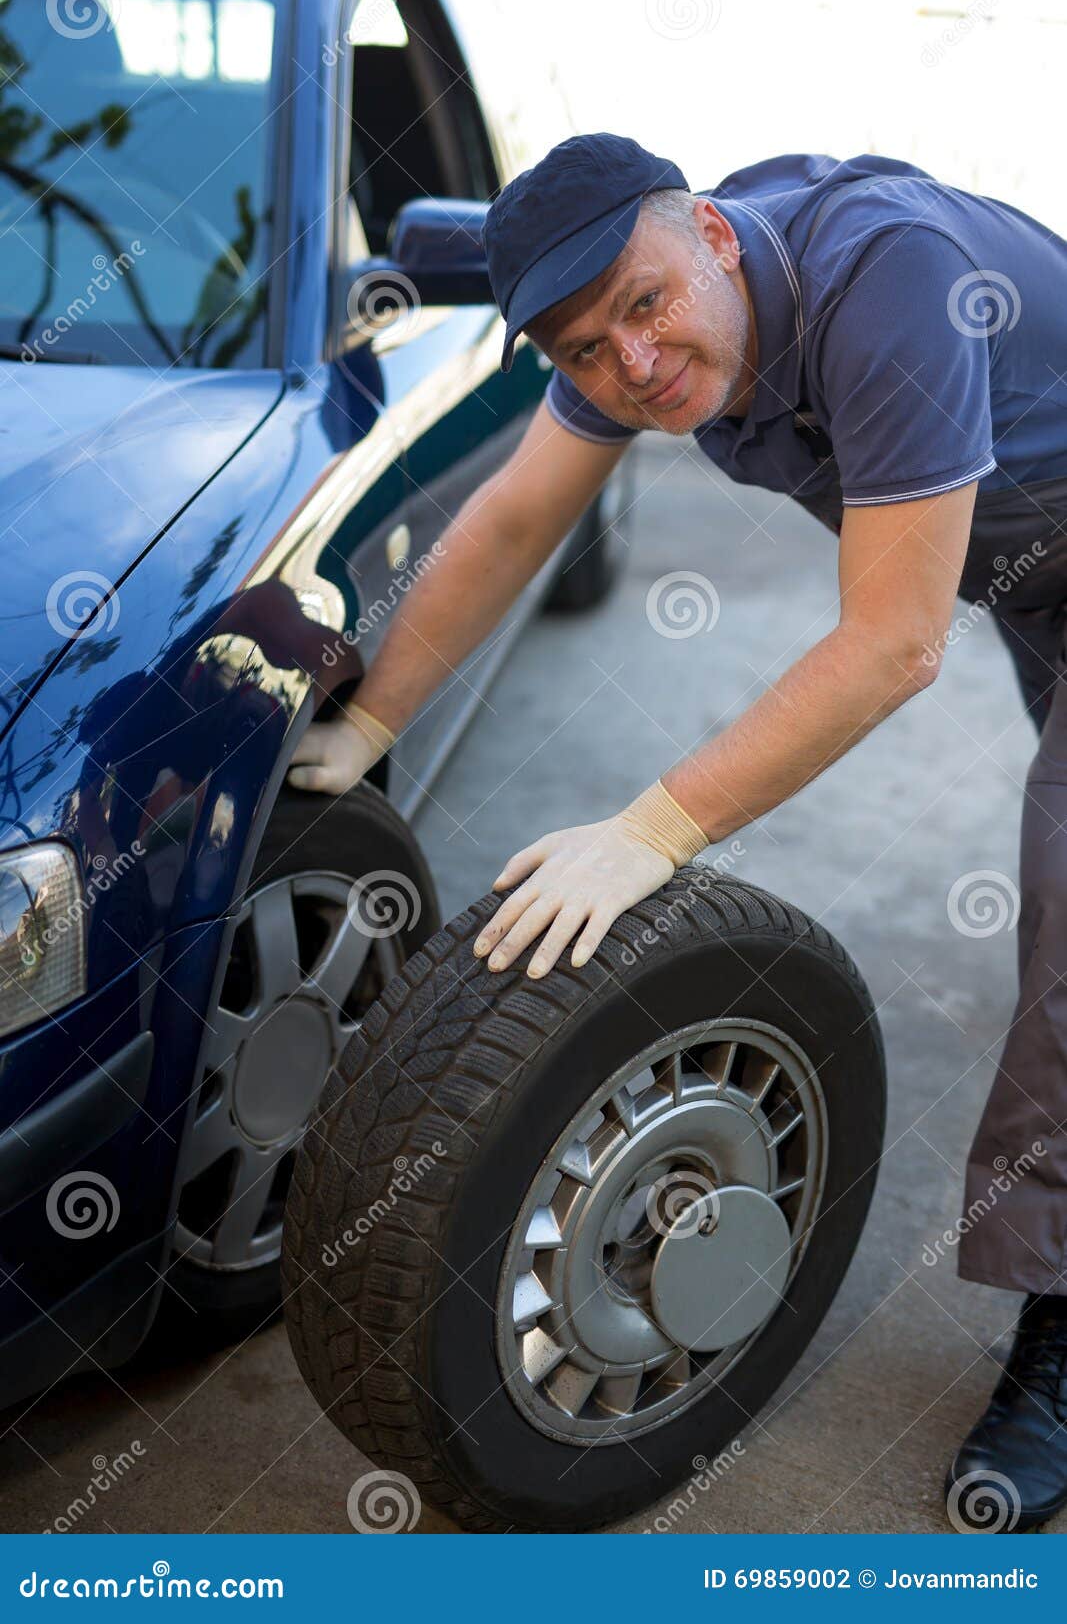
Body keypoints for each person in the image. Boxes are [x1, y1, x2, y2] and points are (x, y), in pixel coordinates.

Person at [286, 133, 1067, 1532]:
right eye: (583, 350)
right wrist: (370, 723)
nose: (630, 366)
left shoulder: (890, 281)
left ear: (710, 234)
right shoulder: (630, 331)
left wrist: (655, 827)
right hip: (1029, 559)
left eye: (643, 309)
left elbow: (890, 644)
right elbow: (517, 512)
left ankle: (1064, 1321)